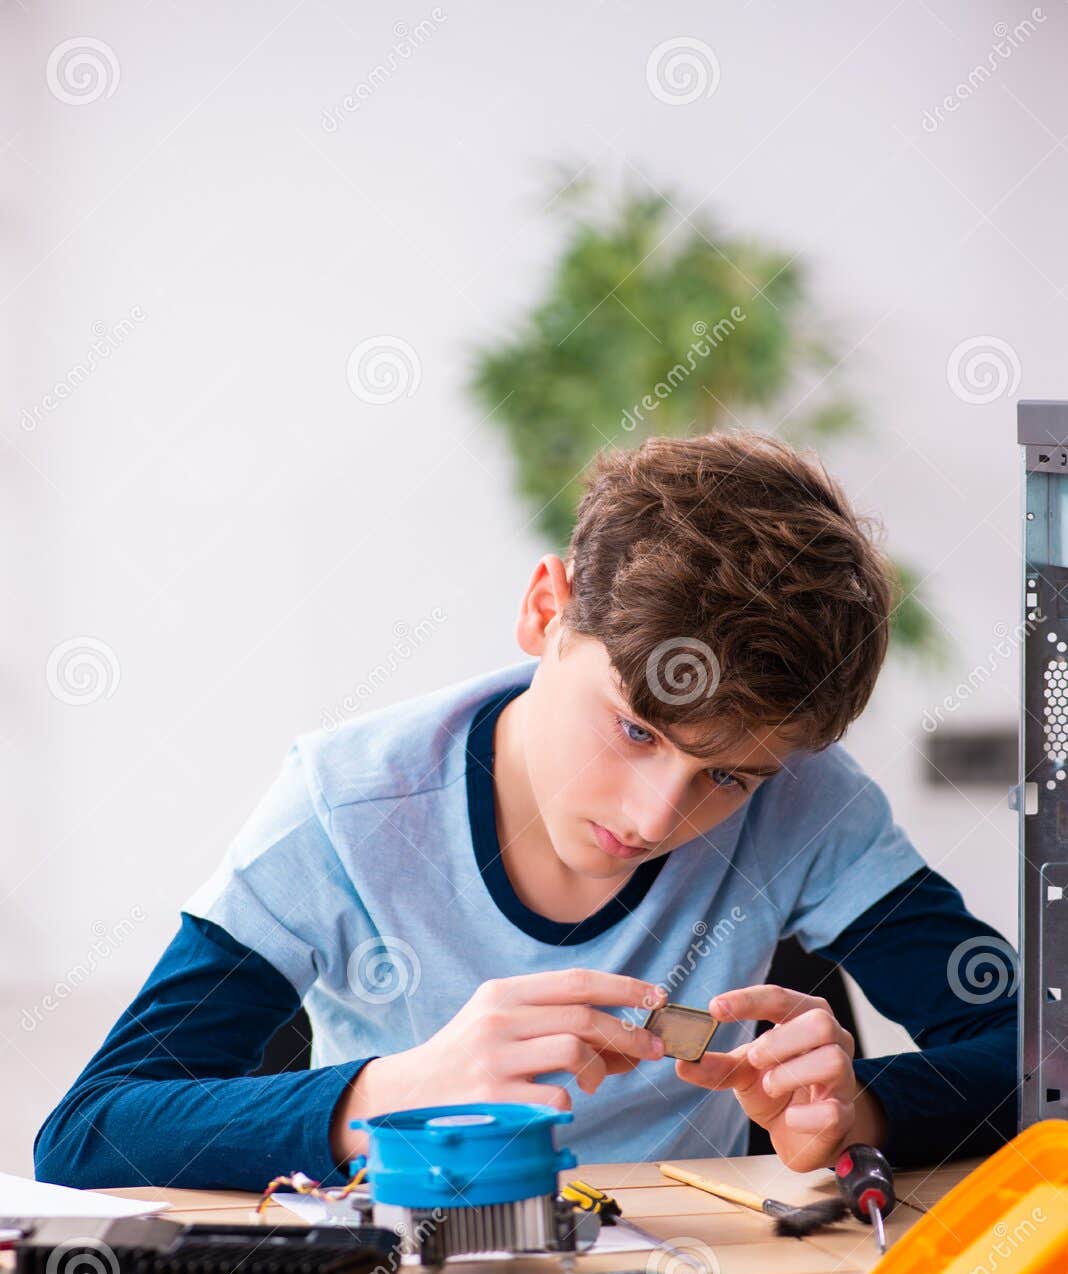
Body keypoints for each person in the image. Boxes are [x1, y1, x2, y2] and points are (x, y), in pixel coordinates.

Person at [35, 431, 1018, 1193]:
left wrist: (855, 1109)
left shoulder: (806, 797)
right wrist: (395, 1091)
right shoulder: (342, 806)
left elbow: (1038, 1053)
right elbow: (88, 1132)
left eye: (729, 778)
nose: (654, 818)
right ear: (546, 610)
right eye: (634, 730)